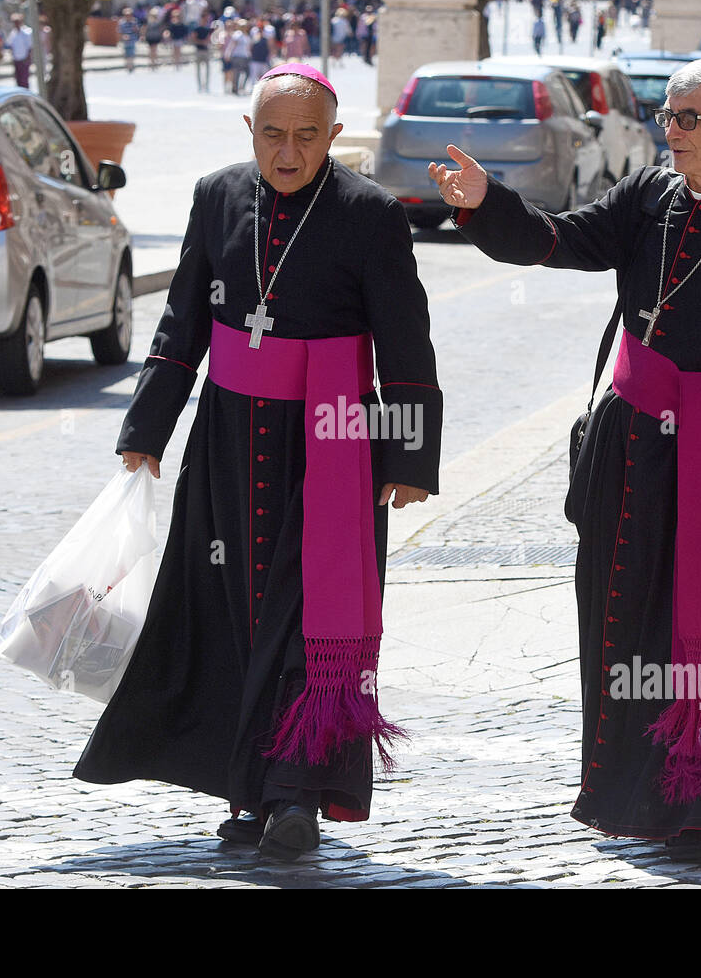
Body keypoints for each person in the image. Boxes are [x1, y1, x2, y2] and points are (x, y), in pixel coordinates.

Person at [429, 58, 701, 861]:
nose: (672, 131)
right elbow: (560, 239)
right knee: (621, 622)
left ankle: (698, 808)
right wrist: (488, 204)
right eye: (667, 115)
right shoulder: (646, 197)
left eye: (689, 118)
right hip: (631, 450)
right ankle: (619, 791)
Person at [72, 64, 444, 862]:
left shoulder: (370, 213)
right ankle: (243, 783)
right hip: (230, 436)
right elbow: (182, 318)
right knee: (227, 607)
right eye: (273, 133)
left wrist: (411, 451)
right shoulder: (215, 194)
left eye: (307, 135)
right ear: (249, 132)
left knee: (312, 617)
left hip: (335, 437)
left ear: (333, 136)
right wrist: (147, 427)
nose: (288, 150)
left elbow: (406, 339)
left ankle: (296, 794)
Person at [7, 13, 33, 89]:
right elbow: (10, 45)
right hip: (16, 59)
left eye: (17, 21)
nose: (15, 24)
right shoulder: (13, 33)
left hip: (24, 59)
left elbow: (30, 47)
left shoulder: (27, 32)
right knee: (18, 79)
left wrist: (28, 58)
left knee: (24, 79)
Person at [191, 14, 213, 92]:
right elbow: (193, 38)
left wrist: (206, 42)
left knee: (207, 70)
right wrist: (201, 42)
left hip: (206, 50)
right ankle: (199, 86)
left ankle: (206, 86)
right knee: (198, 70)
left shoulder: (207, 29)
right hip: (198, 50)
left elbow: (209, 39)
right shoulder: (196, 29)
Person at [118, 8, 140, 73]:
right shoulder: (121, 23)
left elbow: (137, 31)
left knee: (131, 54)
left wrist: (136, 29)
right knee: (126, 54)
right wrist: (123, 37)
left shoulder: (134, 22)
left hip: (132, 40)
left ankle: (131, 67)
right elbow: (119, 32)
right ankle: (128, 66)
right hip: (125, 42)